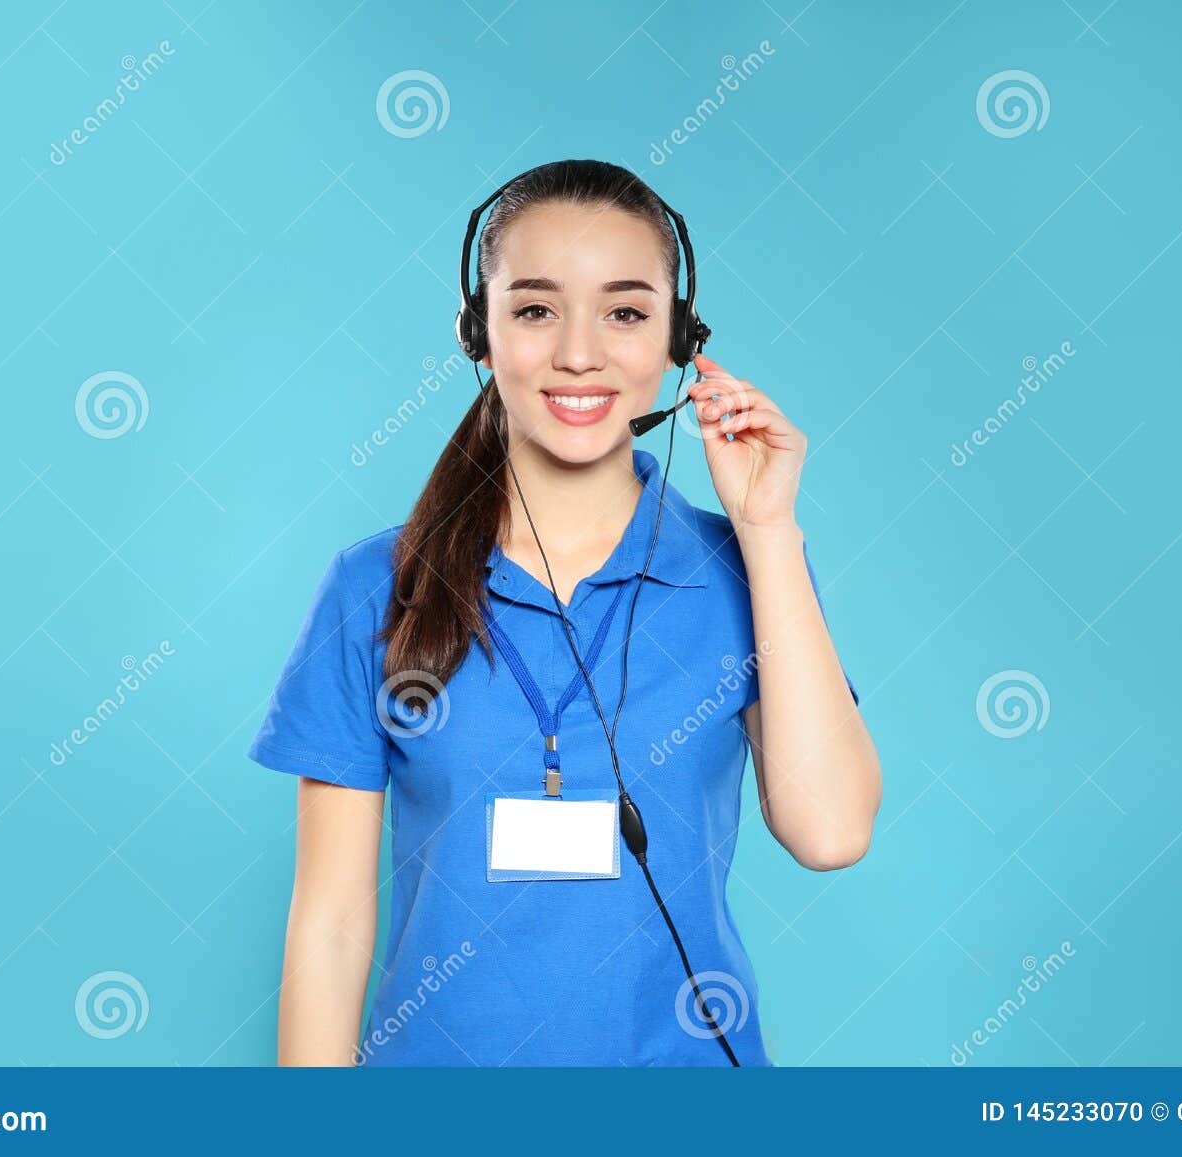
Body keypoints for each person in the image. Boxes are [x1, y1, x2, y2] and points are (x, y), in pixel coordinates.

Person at [248, 159, 881, 1067]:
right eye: (537, 308)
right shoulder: (372, 586)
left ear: (679, 339)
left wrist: (768, 529)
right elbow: (331, 921)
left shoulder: (749, 571)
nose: (580, 353)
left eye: (625, 312)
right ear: (480, 330)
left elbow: (831, 831)